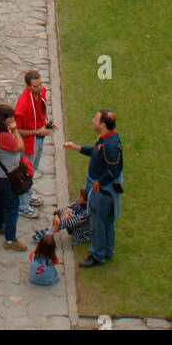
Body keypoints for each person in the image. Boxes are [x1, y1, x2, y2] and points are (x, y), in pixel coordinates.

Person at [62, 109, 123, 268]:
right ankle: (107, 250)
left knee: (97, 222)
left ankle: (97, 254)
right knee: (107, 221)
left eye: (95, 120)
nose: (92, 121)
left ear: (103, 125)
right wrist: (77, 147)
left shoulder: (110, 146)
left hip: (101, 192)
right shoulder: (107, 139)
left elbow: (114, 170)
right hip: (102, 188)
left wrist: (99, 183)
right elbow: (96, 153)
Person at [0, 103, 27, 250]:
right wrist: (15, 130)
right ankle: (10, 240)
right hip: (7, 176)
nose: (12, 119)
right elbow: (20, 146)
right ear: (3, 120)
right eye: (9, 117)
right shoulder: (3, 136)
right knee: (11, 206)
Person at [14, 69, 53, 217]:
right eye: (35, 87)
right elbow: (17, 130)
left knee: (32, 170)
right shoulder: (23, 105)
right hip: (29, 142)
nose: (39, 89)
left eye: (40, 84)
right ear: (28, 86)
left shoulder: (41, 92)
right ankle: (23, 205)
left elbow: (41, 111)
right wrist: (36, 132)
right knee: (26, 172)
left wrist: (45, 124)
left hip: (39, 137)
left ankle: (28, 197)